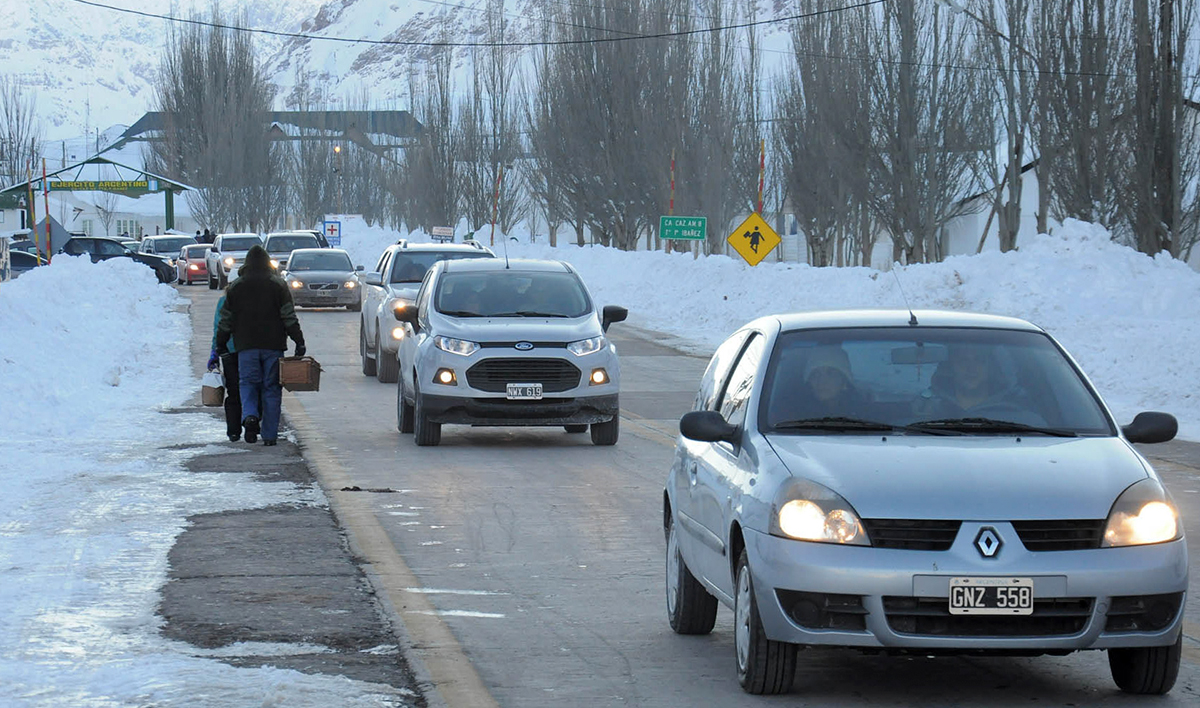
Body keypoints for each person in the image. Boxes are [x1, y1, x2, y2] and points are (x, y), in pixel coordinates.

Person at [214, 245, 306, 446]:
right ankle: (270, 435)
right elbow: (288, 316)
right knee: (271, 388)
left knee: (247, 383)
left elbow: (225, 319)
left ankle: (250, 416)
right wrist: (298, 341)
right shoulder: (278, 285)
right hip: (273, 346)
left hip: (245, 346)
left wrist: (220, 343)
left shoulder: (236, 287)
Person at [800, 346, 864, 418]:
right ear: (809, 381)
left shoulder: (864, 416)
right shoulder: (796, 416)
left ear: (844, 381)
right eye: (815, 374)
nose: (821, 381)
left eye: (831, 374)